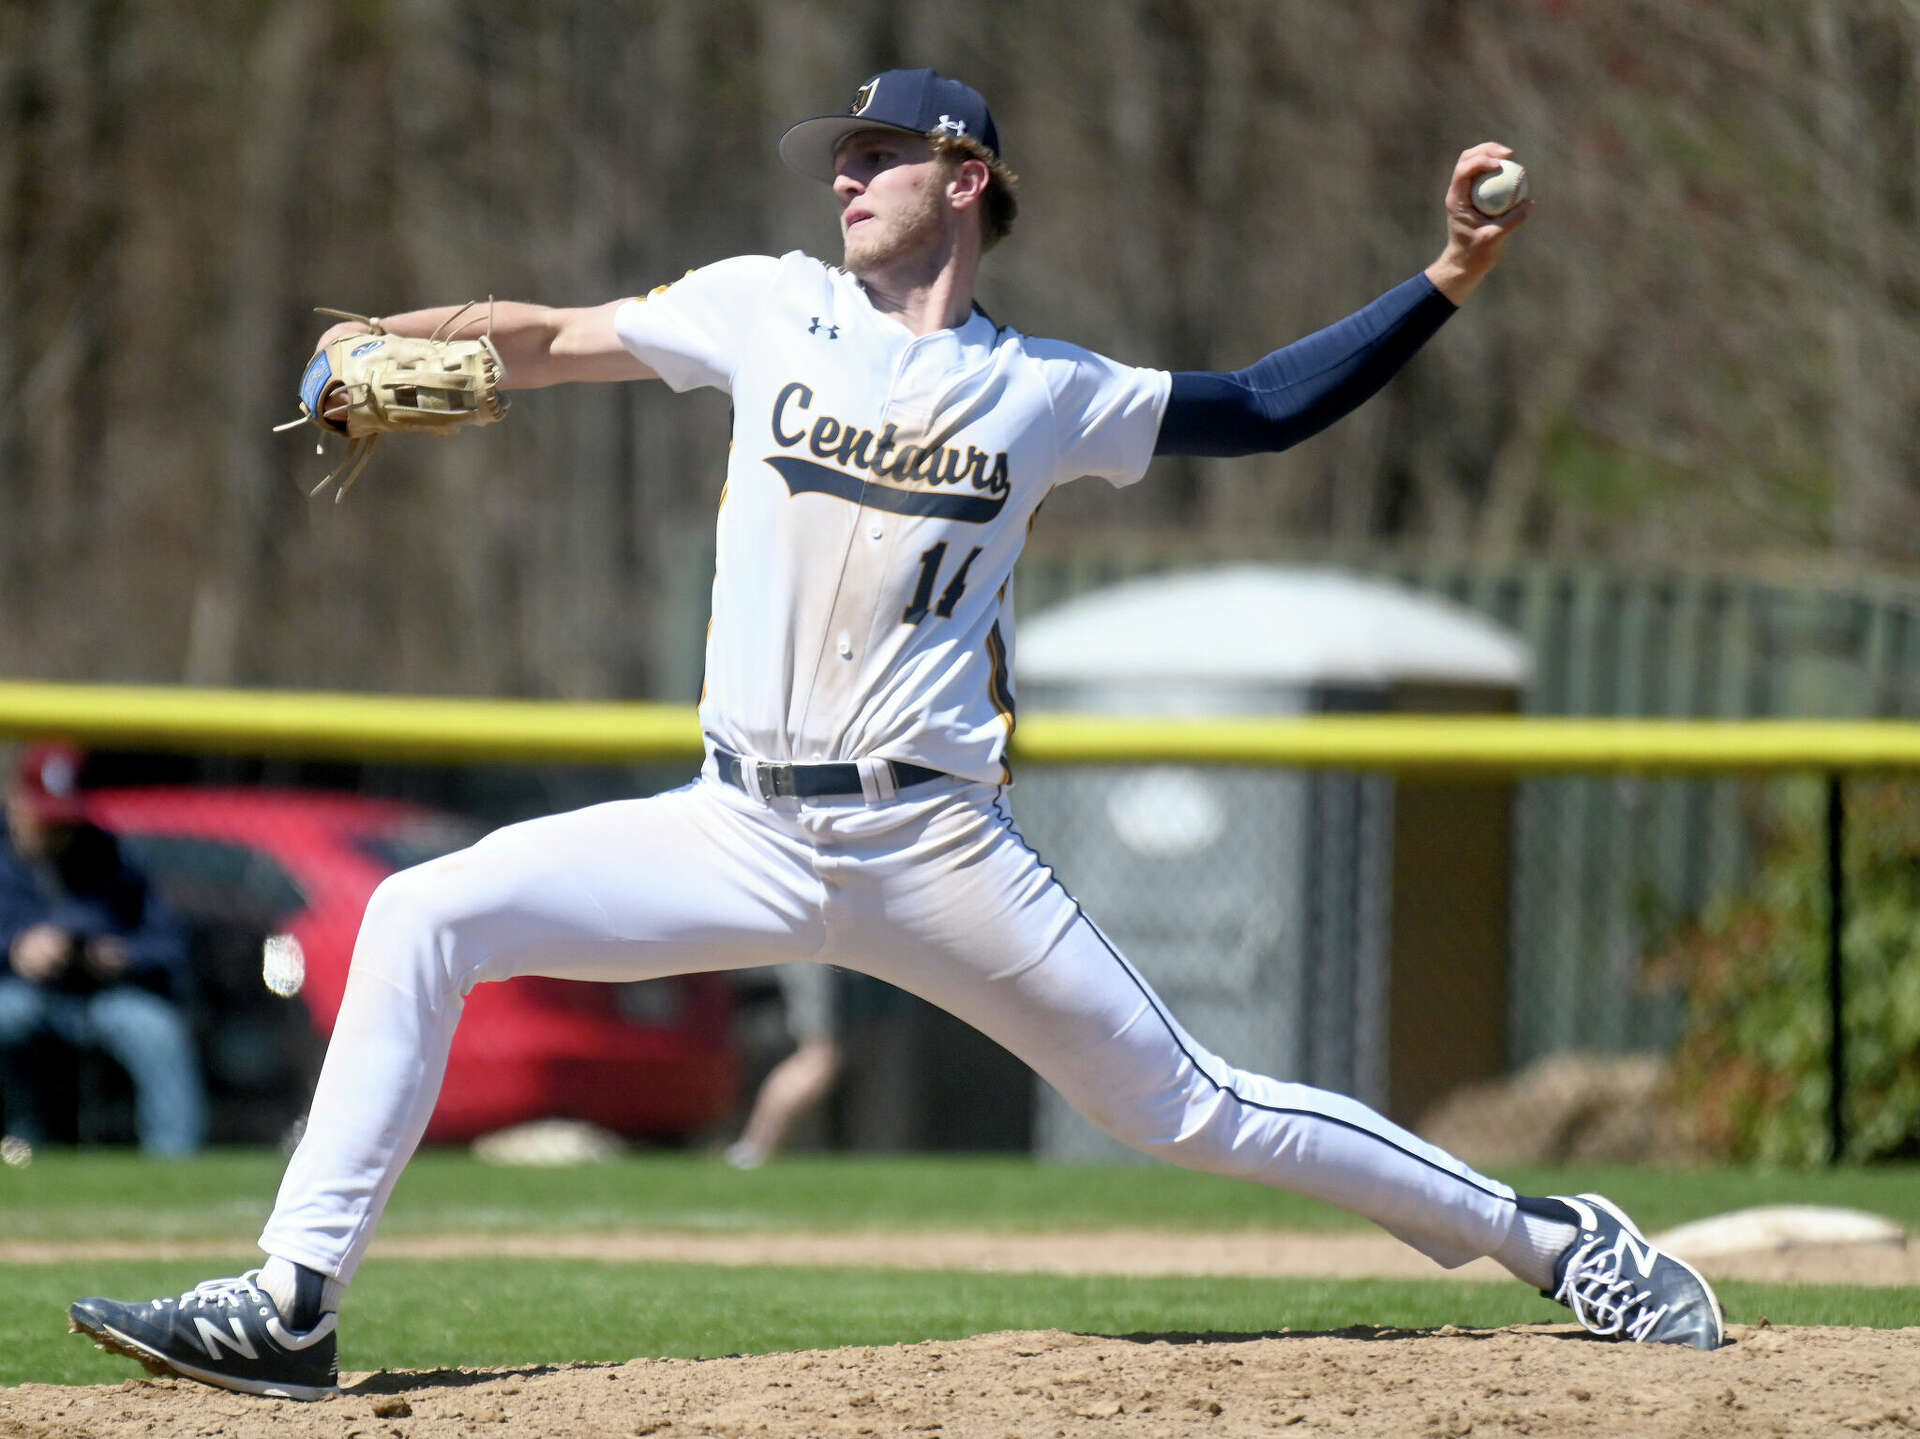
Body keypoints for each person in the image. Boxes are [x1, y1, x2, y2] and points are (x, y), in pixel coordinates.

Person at [69, 68, 1723, 1400]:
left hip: (931, 842)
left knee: (1187, 1107)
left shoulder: (1049, 389)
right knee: (428, 911)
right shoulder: (766, 307)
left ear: (971, 179)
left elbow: (1267, 402)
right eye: (838, 154)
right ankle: (292, 1300)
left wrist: (1445, 275)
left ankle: (1554, 1233)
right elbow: (555, 336)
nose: (845, 175)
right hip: (735, 826)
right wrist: (396, 363)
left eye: (880, 151)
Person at [0, 742, 205, 1157]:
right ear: (17, 801)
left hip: (100, 996)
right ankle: (22, 1145)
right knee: (7, 1014)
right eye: (46, 820)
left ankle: (175, 1163)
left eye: (65, 821)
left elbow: (168, 942)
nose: (58, 832)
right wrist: (15, 949)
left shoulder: (108, 855)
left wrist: (120, 955)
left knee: (155, 1030)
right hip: (19, 992)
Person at [725, 964, 843, 1169]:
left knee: (820, 1056)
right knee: (818, 1056)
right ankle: (752, 1149)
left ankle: (754, 1149)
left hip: (823, 954)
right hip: (815, 954)